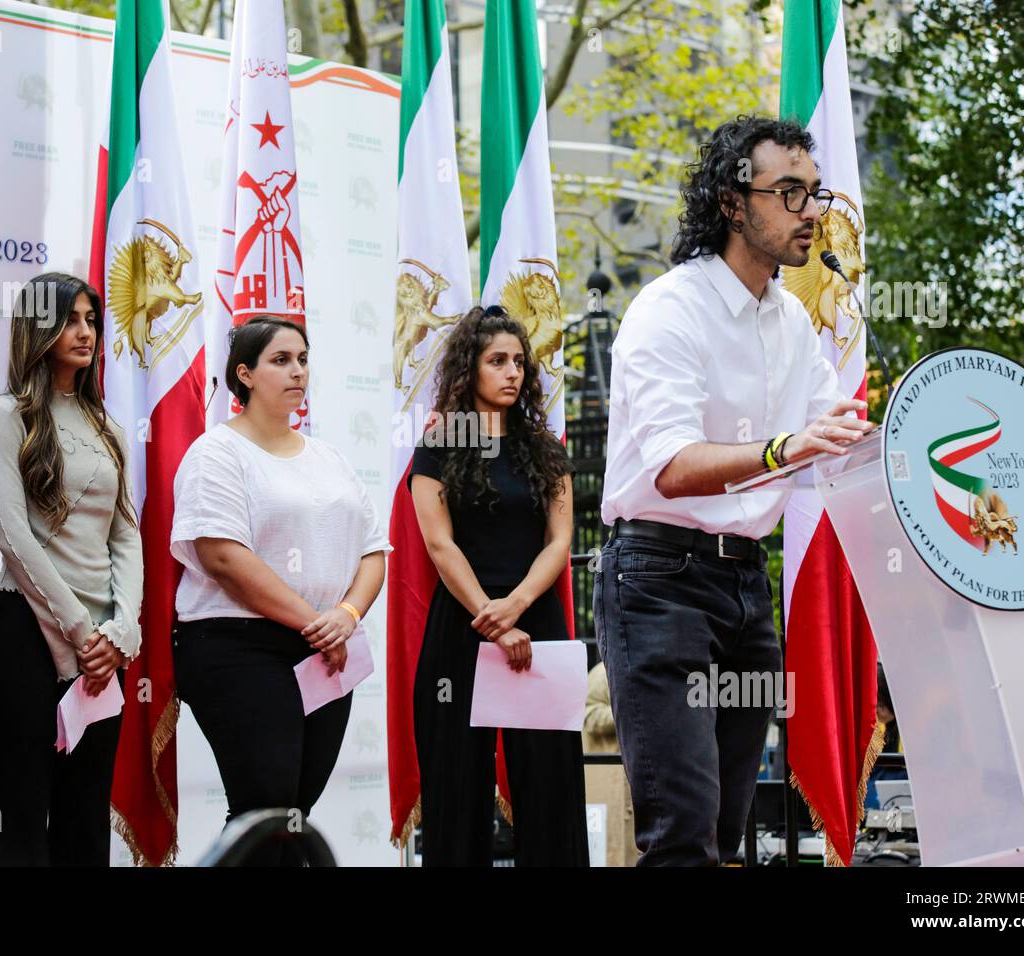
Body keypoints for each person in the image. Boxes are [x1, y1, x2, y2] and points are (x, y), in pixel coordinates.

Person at [596, 115, 875, 866]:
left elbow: (834, 441)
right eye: (789, 193)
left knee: (725, 836)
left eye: (815, 193)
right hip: (659, 582)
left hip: (747, 582)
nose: (811, 212)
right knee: (681, 830)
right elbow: (673, 466)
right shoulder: (668, 309)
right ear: (731, 202)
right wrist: (788, 446)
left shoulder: (791, 319)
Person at [170, 316, 388, 860]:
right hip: (237, 647)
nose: (297, 372)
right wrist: (316, 621)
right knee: (263, 809)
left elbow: (374, 549)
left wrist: (346, 614)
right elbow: (222, 556)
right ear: (243, 375)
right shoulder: (216, 453)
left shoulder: (328, 457)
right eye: (280, 360)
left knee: (292, 815)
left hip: (324, 648)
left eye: (303, 359)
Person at [409, 305, 589, 867]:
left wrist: (515, 605)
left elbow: (559, 543)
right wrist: (489, 612)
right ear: (471, 369)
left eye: (518, 361)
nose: (512, 371)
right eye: (496, 360)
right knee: (456, 786)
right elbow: (439, 545)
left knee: (551, 781)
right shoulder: (440, 445)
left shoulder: (545, 449)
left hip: (535, 621)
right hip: (463, 625)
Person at [0, 273, 141, 866]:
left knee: (85, 813)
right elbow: (13, 539)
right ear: (38, 328)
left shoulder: (109, 427)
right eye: (70, 319)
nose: (85, 332)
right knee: (20, 813)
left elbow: (126, 533)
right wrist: (80, 630)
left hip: (102, 645)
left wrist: (124, 630)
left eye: (91, 320)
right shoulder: (6, 416)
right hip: (27, 630)